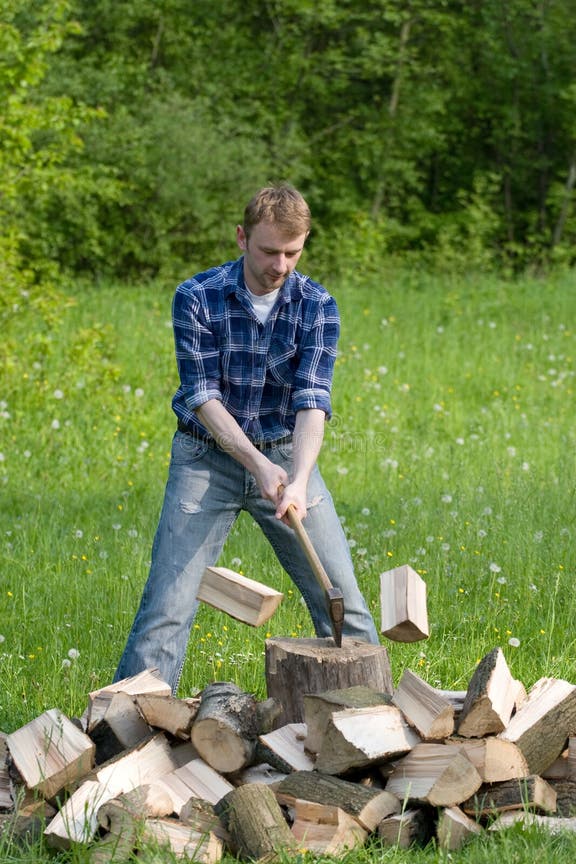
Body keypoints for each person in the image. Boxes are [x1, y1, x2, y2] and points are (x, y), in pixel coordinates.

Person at [113, 183, 379, 693]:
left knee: (341, 599)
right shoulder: (197, 297)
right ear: (241, 237)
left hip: (286, 456)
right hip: (204, 458)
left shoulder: (318, 305)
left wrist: (298, 479)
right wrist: (257, 466)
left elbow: (312, 400)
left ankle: (370, 729)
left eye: (293, 252)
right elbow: (202, 395)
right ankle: (125, 734)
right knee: (167, 605)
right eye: (269, 251)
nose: (281, 265)